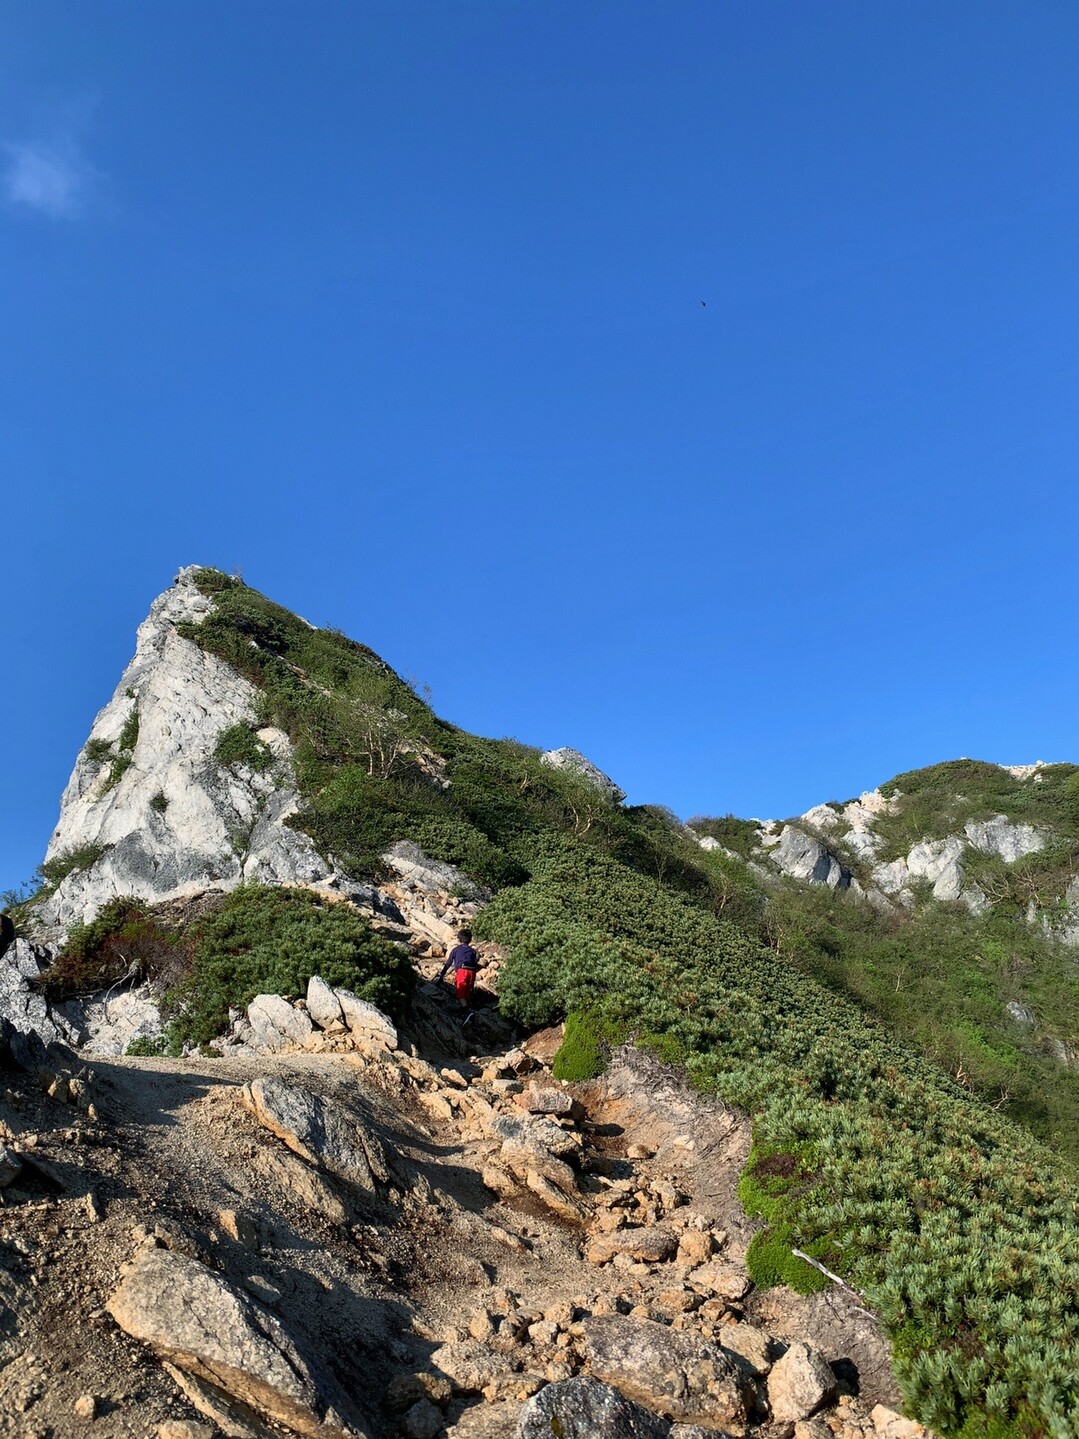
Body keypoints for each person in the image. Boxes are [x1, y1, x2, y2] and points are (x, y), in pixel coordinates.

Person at [437, 928, 479, 1026]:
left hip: (462, 971)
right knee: (466, 994)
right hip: (472, 972)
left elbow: (448, 963)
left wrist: (441, 975)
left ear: (459, 939)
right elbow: (475, 964)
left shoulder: (456, 950)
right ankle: (465, 1012)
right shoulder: (473, 951)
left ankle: (468, 1012)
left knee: (460, 994)